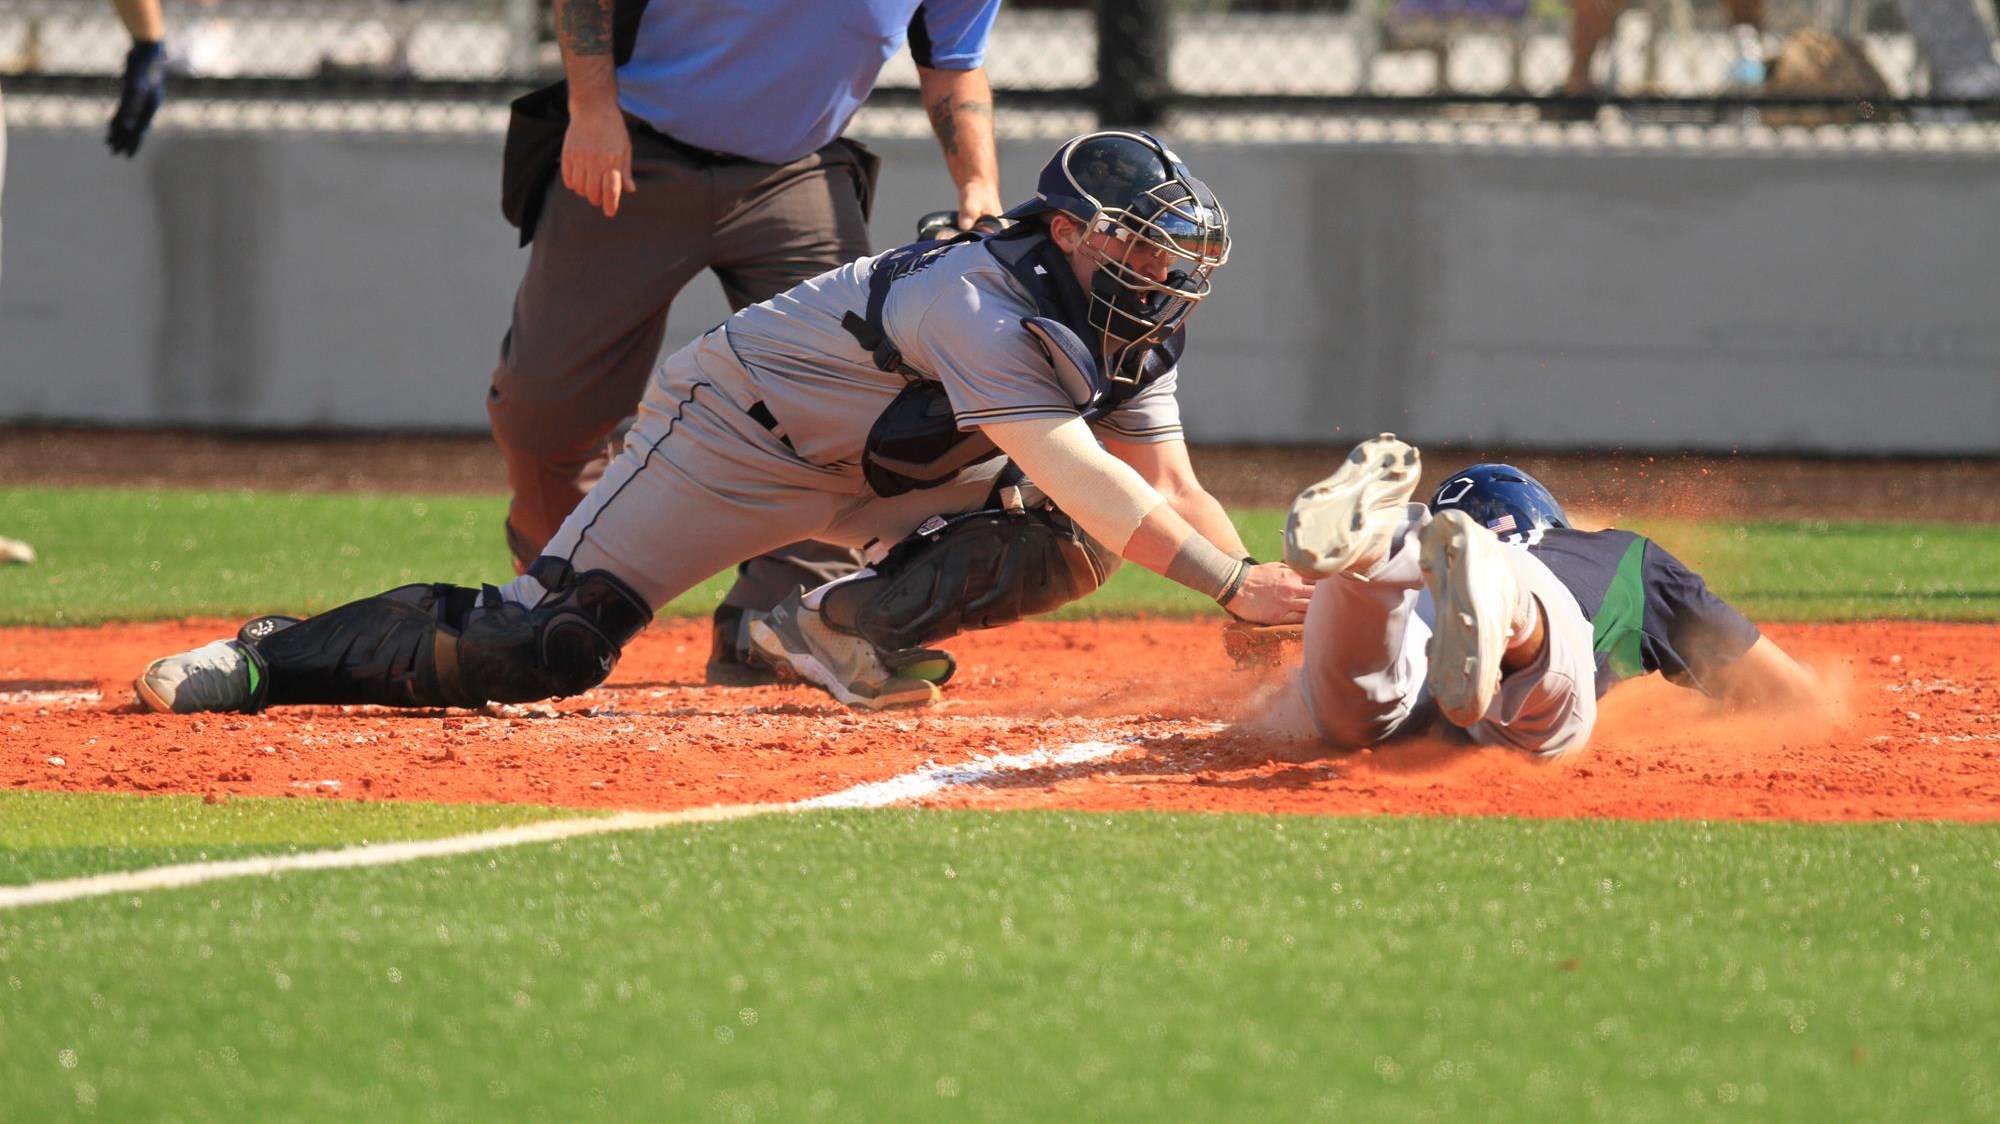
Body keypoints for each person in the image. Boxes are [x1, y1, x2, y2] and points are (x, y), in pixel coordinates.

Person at [133, 131, 1315, 716]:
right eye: (1137, 241)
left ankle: (829, 630)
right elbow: (1072, 460)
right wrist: (1224, 583)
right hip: (732, 437)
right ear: (1065, 229)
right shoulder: (975, 293)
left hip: (886, 469)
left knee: (1080, 530)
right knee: (546, 645)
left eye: (1172, 252)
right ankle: (266, 655)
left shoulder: (1132, 327)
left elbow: (1160, 478)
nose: (1160, 270)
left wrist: (1262, 592)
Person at [493, 0, 1007, 687]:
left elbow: (955, 66)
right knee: (544, 411)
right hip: (634, 146)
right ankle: (565, 593)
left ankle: (774, 623)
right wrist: (591, 106)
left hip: (797, 170)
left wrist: (979, 185)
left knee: (848, 410)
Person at [1281, 433, 1820, 757]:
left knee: (1351, 720)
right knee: (1544, 725)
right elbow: (1788, 694)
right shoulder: (1621, 554)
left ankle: (1374, 550)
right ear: (1547, 517)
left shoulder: (1425, 565)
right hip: (1522, 604)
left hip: (1413, 610)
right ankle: (1499, 603)